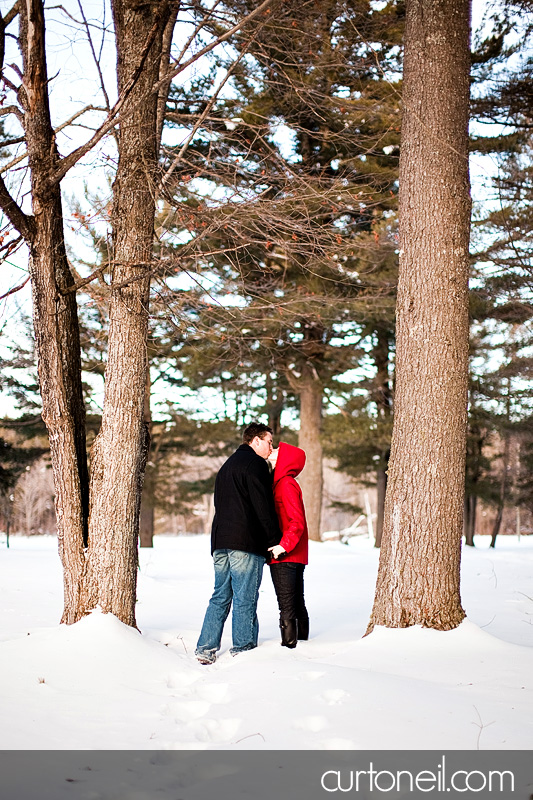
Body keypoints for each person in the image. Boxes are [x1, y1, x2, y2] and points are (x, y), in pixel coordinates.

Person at [195, 422, 281, 665]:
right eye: (268, 442)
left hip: (221, 542)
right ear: (254, 441)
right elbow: (262, 506)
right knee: (245, 596)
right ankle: (243, 648)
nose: (270, 447)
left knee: (220, 595)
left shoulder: (227, 465)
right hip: (245, 542)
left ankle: (205, 648)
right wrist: (273, 540)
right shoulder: (255, 464)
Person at [267, 442, 310, 649]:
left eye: (277, 451)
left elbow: (297, 521)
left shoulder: (285, 483)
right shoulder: (282, 482)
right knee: (296, 599)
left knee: (286, 603)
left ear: (286, 460)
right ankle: (302, 640)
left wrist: (282, 546)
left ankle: (289, 645)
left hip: (287, 553)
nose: (272, 451)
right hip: (293, 553)